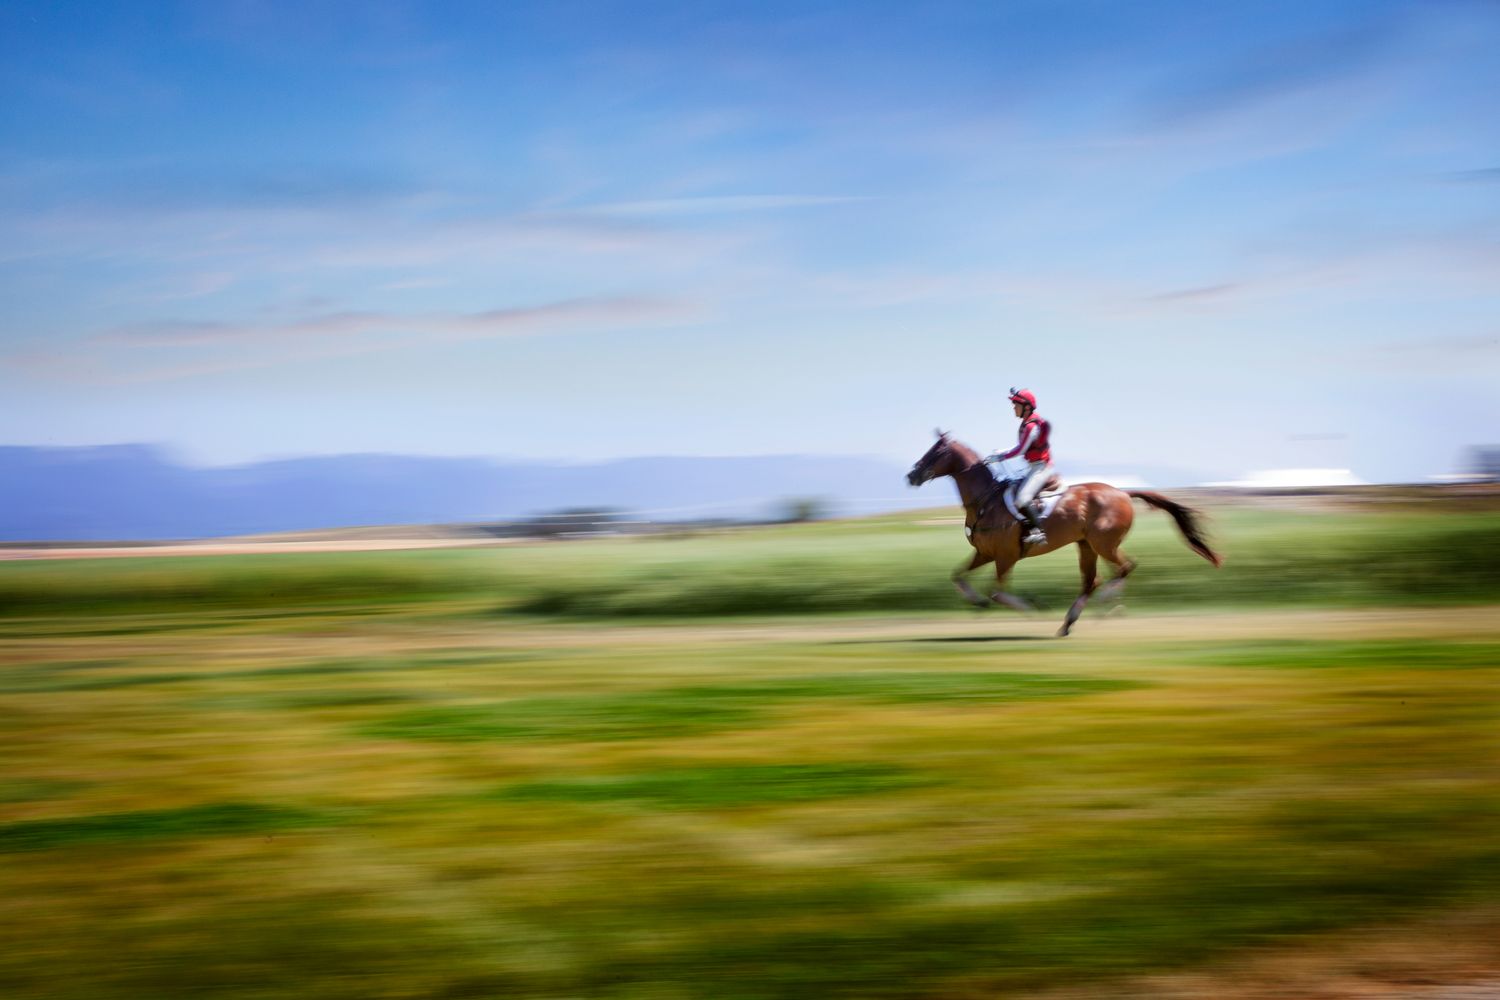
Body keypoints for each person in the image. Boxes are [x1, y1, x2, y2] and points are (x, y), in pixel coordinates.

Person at [985, 388, 1053, 547]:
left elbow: (1021, 450)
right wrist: (1000, 452)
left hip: (1041, 468)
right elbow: (1020, 447)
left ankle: (1039, 532)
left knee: (1022, 498)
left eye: (1016, 405)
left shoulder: (1031, 426)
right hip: (1033, 467)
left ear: (1027, 407)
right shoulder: (1026, 424)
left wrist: (1000, 457)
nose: (1014, 408)